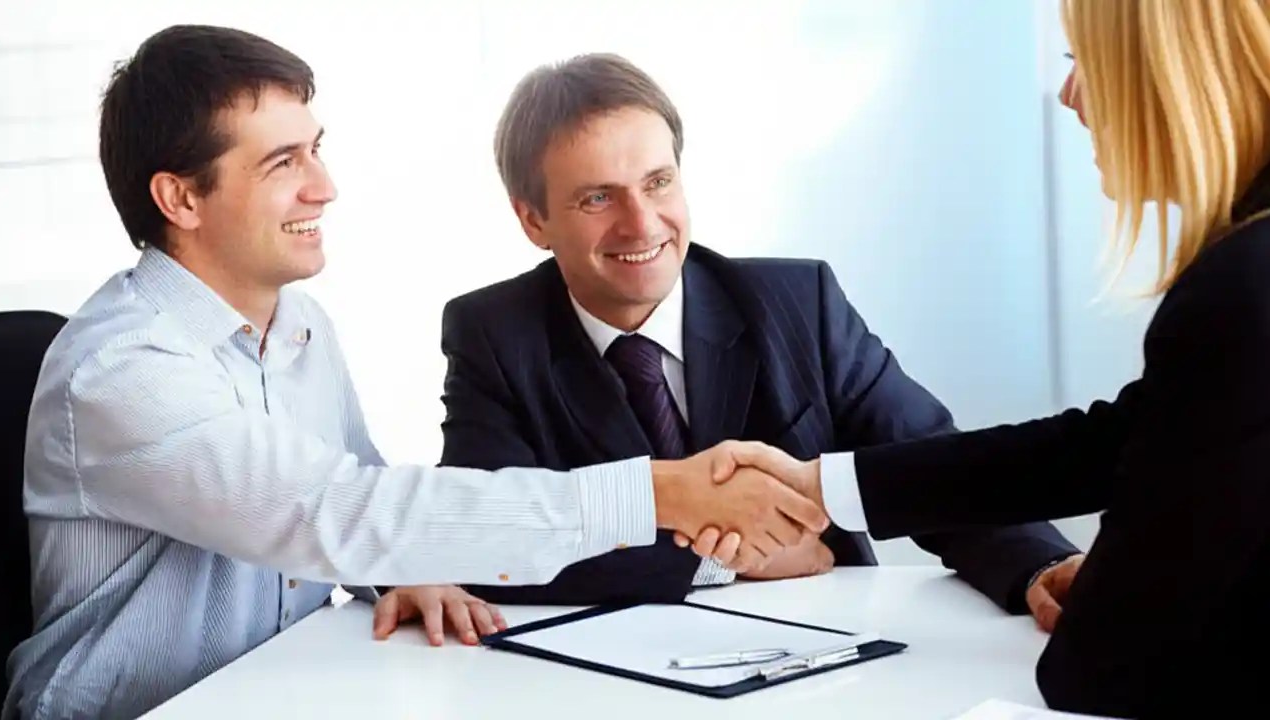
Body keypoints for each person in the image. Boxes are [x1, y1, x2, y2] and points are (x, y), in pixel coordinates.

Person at [3, 26, 827, 720]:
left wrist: (403, 569)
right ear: (181, 199)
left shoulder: (297, 326)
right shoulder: (121, 370)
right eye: (283, 163)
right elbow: (337, 512)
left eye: (316, 150)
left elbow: (360, 497)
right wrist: (657, 492)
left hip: (278, 689)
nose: (325, 187)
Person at [690, 1, 1270, 715]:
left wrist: (1112, 593)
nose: (1070, 96)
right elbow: (1124, 437)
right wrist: (818, 486)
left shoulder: (1243, 290)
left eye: (1086, 64)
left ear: (1171, 73)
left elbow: (1101, 667)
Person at [373, 53, 1076, 624]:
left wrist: (1041, 566)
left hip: (826, 646)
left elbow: (932, 467)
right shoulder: (494, 334)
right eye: (598, 198)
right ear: (533, 220)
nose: (641, 223)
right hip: (609, 676)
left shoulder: (798, 303)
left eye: (658, 182)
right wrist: (721, 561)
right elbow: (485, 540)